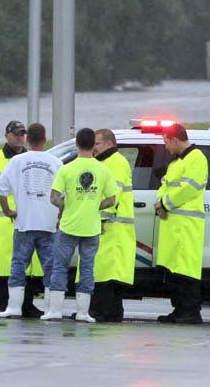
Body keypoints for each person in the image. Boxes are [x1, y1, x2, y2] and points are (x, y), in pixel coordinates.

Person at [49, 128, 119, 323]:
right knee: (87, 267)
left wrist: (65, 208)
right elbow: (112, 199)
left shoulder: (66, 169)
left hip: (69, 226)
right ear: (92, 146)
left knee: (60, 267)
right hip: (91, 227)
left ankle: (54, 310)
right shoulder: (103, 169)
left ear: (77, 145)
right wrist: (95, 205)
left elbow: (54, 197)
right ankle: (83, 313)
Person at [0, 123, 62, 319]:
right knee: (50, 268)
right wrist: (60, 216)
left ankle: (14, 307)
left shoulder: (16, 161)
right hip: (49, 225)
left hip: (24, 223)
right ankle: (52, 310)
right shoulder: (56, 162)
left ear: (28, 139)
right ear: (45, 138)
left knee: (18, 266)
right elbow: (64, 194)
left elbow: (0, 189)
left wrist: (8, 210)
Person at [0, 121, 45, 317]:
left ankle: (26, 304)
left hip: (23, 217)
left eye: (22, 134)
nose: (19, 137)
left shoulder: (28, 158)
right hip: (3, 219)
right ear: (7, 135)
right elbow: (6, 182)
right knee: (1, 265)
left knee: (26, 265)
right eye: (15, 134)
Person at [154, 124, 208, 324]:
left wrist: (164, 204)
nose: (166, 147)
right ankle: (179, 311)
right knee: (174, 270)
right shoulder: (176, 163)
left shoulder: (197, 158)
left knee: (186, 270)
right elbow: (164, 186)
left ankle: (190, 312)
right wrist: (160, 204)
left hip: (186, 224)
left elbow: (189, 189)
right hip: (173, 225)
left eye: (166, 142)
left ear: (175, 139)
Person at [86, 128, 136, 322]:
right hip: (111, 227)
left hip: (111, 227)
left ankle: (103, 312)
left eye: (97, 144)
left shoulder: (115, 163)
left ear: (109, 143)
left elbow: (112, 195)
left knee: (107, 275)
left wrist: (102, 218)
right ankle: (107, 312)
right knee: (105, 273)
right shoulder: (109, 162)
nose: (94, 148)